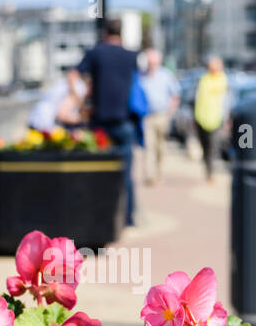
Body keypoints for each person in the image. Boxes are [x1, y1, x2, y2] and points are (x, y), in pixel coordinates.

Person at [70, 19, 138, 226]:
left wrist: (79, 98)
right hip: (125, 120)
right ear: (121, 33)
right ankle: (127, 217)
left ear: (104, 32)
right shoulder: (131, 56)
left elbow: (73, 74)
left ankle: (100, 214)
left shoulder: (96, 53)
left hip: (99, 123)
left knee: (97, 171)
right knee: (125, 172)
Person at [139, 48, 179, 184]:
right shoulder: (141, 76)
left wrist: (170, 112)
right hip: (147, 116)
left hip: (162, 115)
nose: (151, 65)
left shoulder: (166, 75)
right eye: (149, 62)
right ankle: (150, 175)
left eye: (153, 62)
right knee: (149, 146)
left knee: (160, 147)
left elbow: (175, 95)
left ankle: (159, 172)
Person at [193, 56, 228, 181]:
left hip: (216, 119)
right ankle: (207, 170)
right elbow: (198, 98)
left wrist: (227, 118)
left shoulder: (223, 80)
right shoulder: (203, 79)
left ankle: (211, 172)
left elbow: (226, 101)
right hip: (201, 118)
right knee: (205, 147)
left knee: (213, 147)